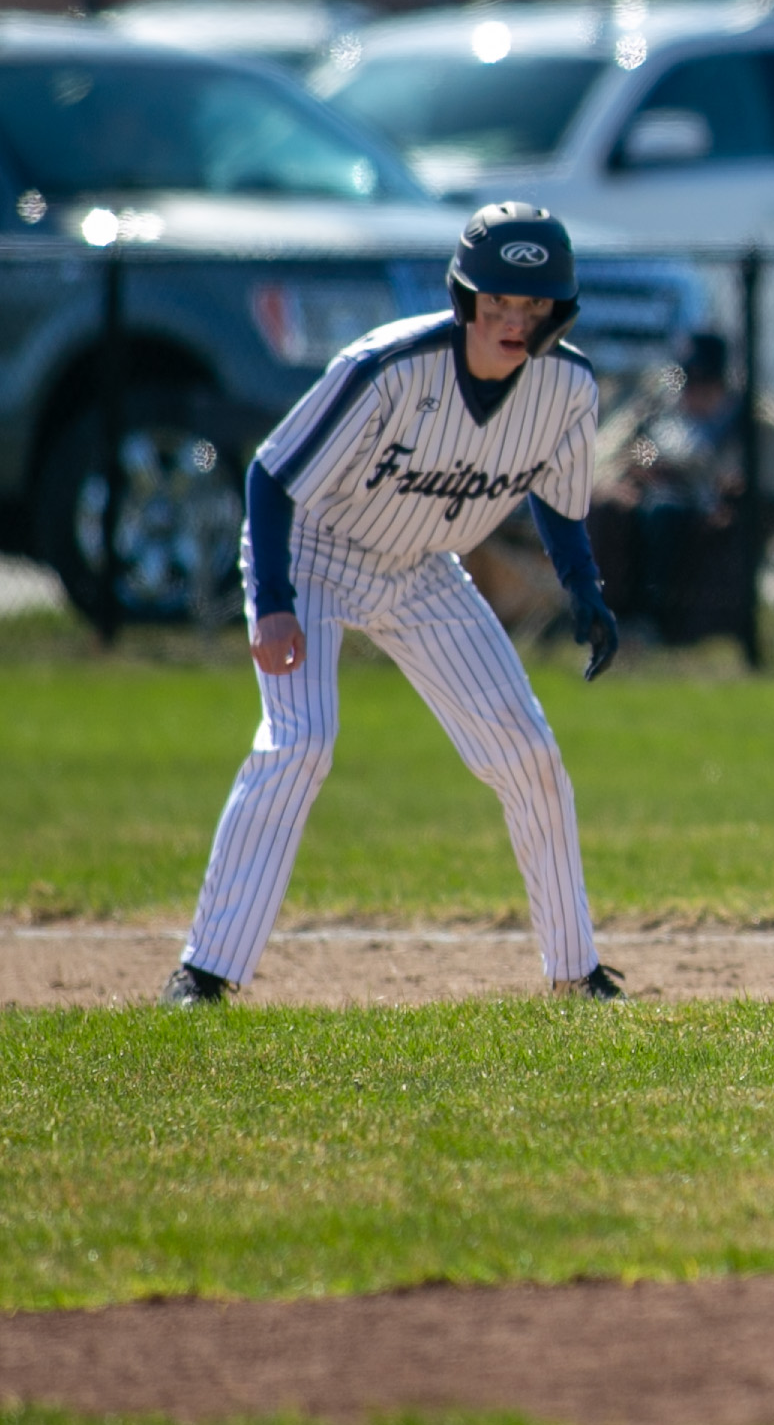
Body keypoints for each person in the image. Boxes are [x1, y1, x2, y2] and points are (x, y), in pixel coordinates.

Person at [161, 204, 624, 1006]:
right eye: (499, 302)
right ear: (465, 298)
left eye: (534, 306)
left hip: (421, 568)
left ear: (558, 312)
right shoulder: (389, 369)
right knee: (302, 741)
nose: (515, 322)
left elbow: (558, 492)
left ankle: (576, 971)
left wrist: (584, 587)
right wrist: (272, 601)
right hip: (315, 552)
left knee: (527, 750)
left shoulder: (565, 387)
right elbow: (271, 477)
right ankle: (205, 970)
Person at [589, 331, 774, 646]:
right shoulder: (660, 406)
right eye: (691, 381)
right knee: (624, 513)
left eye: (706, 382)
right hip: (655, 499)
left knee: (665, 518)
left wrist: (734, 491)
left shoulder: (753, 418)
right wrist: (631, 474)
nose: (696, 392)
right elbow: (619, 452)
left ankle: (657, 622)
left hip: (710, 508)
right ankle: (611, 618)